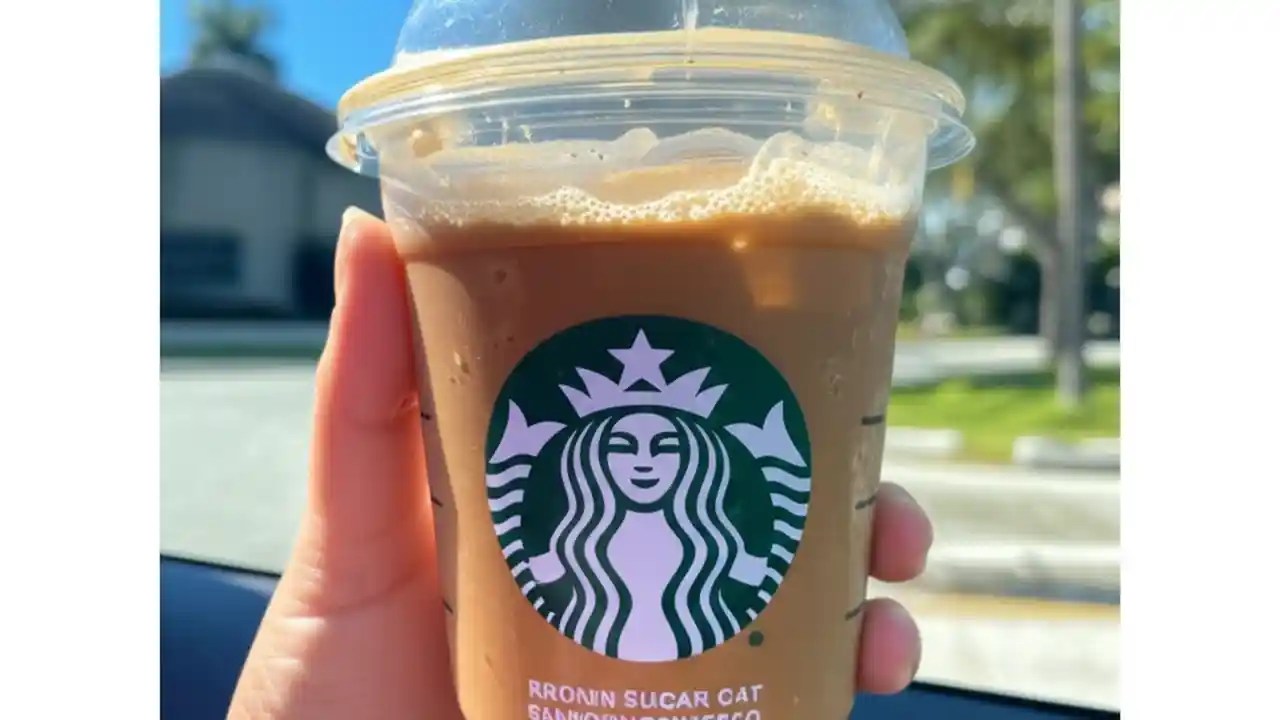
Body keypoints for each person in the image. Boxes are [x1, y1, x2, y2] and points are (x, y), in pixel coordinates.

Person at [227, 208, 937, 719]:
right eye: (622, 445)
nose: (644, 462)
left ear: (698, 460)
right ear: (590, 460)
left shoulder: (725, 561)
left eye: (665, 446)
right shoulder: (570, 558)